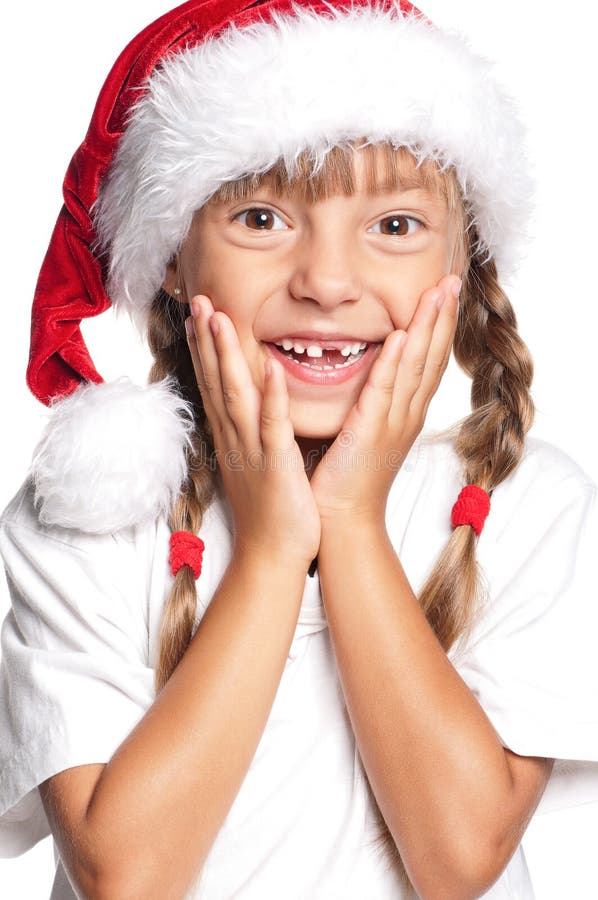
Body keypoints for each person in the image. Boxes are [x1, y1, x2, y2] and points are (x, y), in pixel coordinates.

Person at [0, 0, 596, 897]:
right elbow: (127, 876)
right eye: (260, 219)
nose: (325, 282)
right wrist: (275, 547)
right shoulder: (91, 514)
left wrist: (350, 520)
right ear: (172, 253)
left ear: (459, 262)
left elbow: (459, 858)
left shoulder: (527, 503)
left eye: (394, 226)